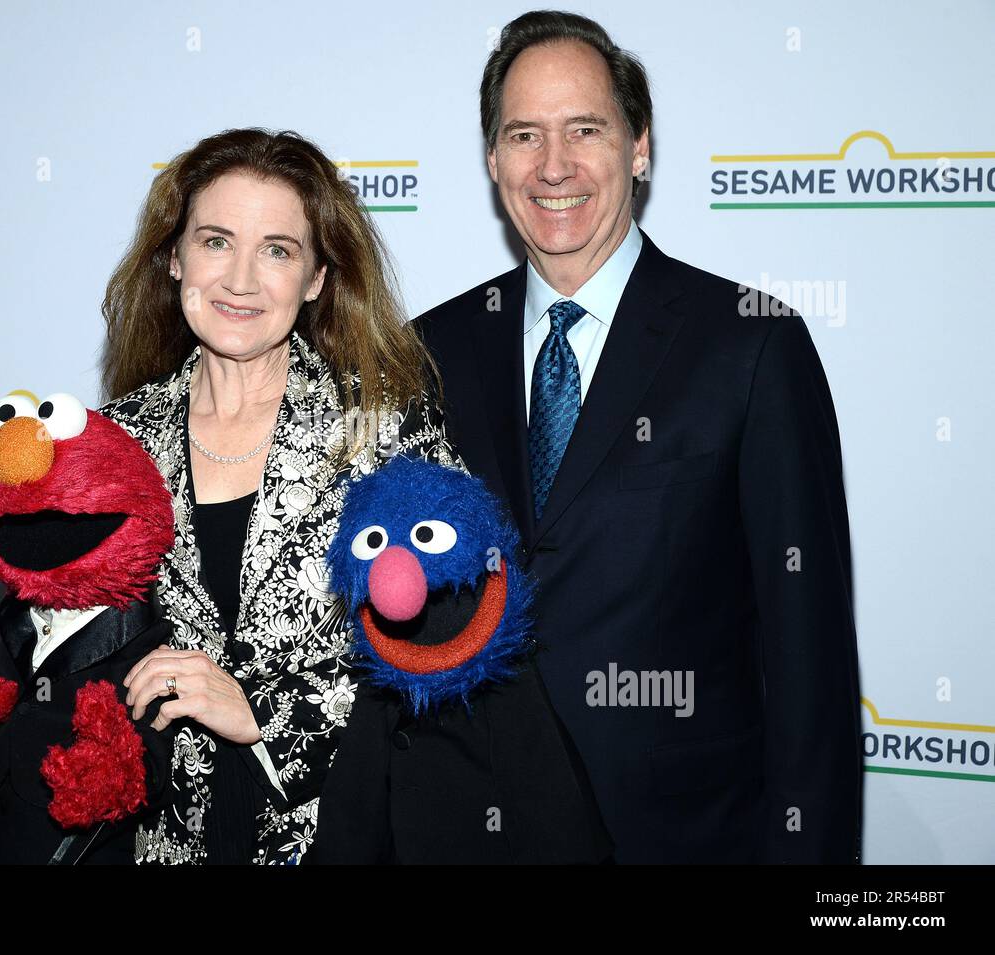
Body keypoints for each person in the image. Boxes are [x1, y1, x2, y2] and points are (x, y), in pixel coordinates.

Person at [0, 127, 467, 864]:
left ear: (315, 278)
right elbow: (74, 636)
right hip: (154, 837)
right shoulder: (110, 444)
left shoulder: (383, 430)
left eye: (277, 249)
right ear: (176, 257)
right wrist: (12, 694)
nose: (241, 280)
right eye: (216, 241)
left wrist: (264, 716)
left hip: (338, 831)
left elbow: (451, 645)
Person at [413, 10, 862, 863]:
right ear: (492, 160)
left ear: (640, 146)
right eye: (524, 135)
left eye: (586, 129)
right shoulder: (433, 350)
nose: (554, 166)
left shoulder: (751, 345)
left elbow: (810, 674)